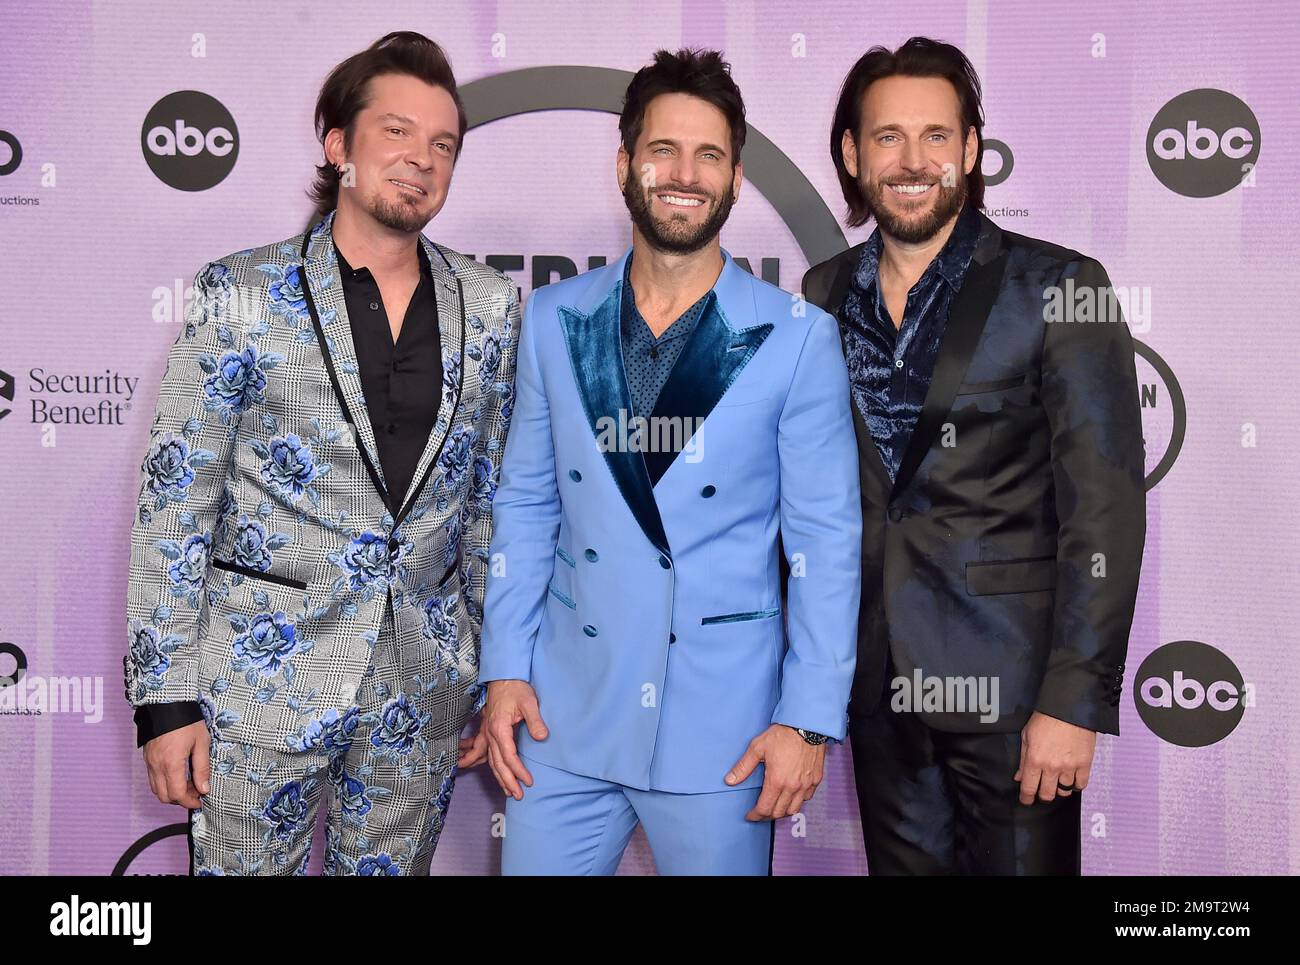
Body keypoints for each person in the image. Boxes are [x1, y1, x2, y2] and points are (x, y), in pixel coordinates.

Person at [124, 31, 516, 876]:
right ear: (339, 145)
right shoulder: (242, 292)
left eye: (442, 144)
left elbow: (487, 505)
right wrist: (162, 700)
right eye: (397, 132)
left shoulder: (489, 306)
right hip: (257, 685)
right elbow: (175, 499)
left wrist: (490, 670)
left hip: (419, 688)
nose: (421, 159)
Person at [478, 48, 861, 875]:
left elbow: (825, 543)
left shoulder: (796, 337)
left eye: (709, 155)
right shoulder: (550, 317)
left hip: (722, 727)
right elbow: (527, 503)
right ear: (626, 163)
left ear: (734, 176)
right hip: (563, 718)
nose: (684, 173)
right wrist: (504, 670)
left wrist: (807, 719)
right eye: (663, 150)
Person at [802, 36, 1146, 875]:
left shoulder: (1061, 284)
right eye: (886, 138)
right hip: (880, 695)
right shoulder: (820, 294)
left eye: (934, 137)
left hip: (1016, 697)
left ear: (970, 149)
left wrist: (1073, 701)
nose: (912, 160)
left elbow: (1103, 506)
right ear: (852, 154)